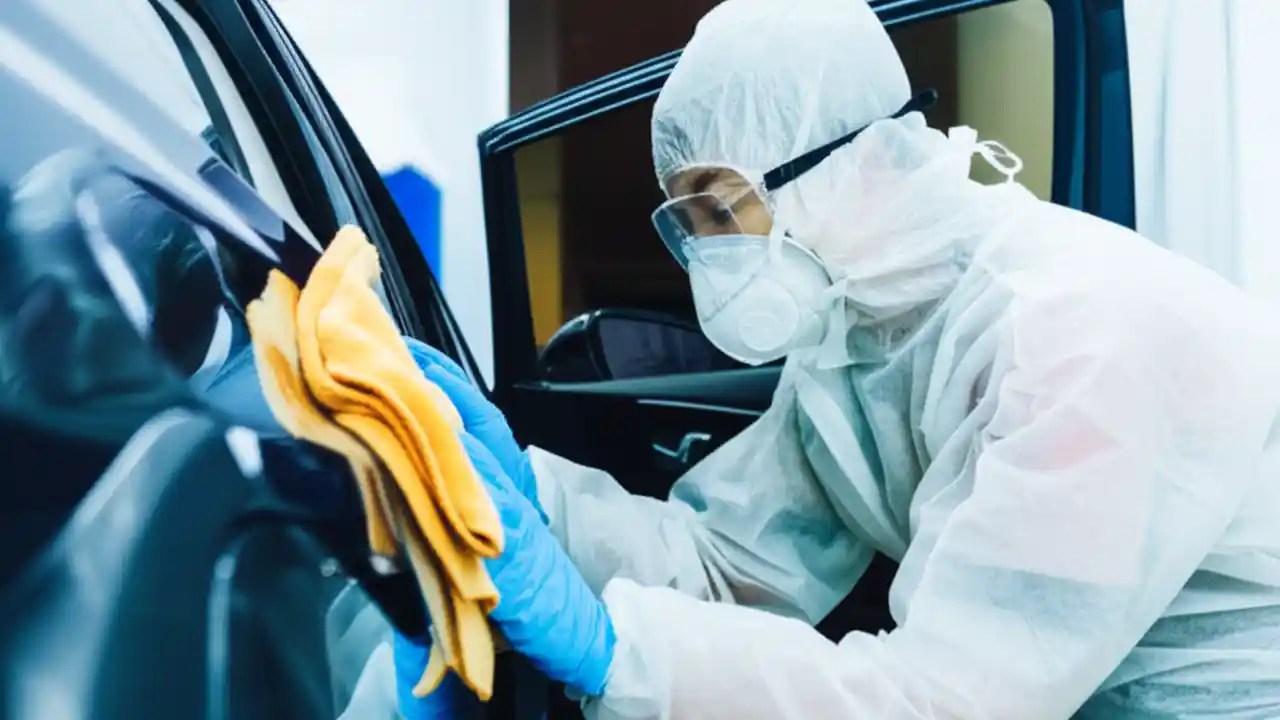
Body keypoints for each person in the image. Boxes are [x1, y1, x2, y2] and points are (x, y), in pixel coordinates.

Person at [400, 0, 1280, 717]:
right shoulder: (855, 334)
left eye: (717, 212)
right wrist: (529, 498)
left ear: (843, 163)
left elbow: (946, 703)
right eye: (688, 226)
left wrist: (616, 654)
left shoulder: (1086, 334)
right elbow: (730, 567)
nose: (707, 259)